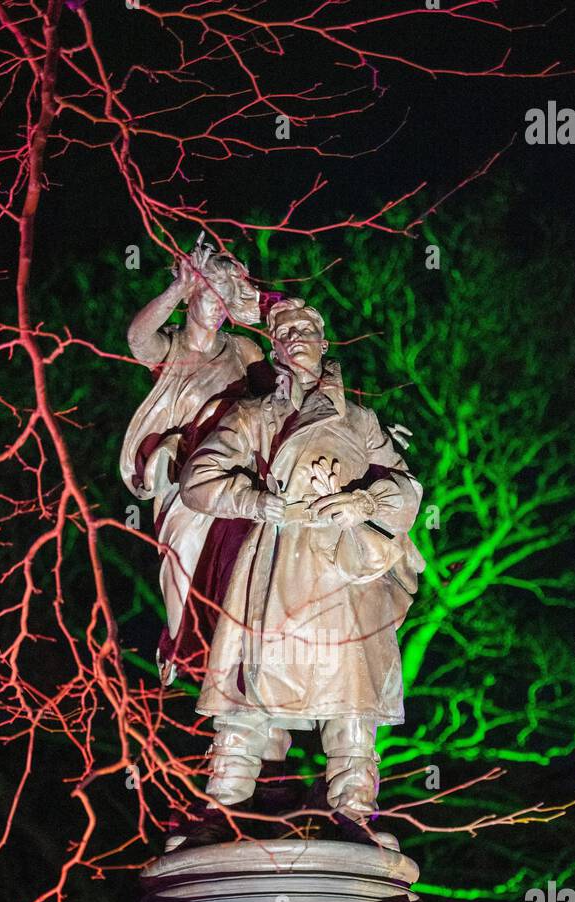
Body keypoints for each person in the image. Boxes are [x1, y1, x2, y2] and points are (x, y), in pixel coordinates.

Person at [178, 297, 424, 847]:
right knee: (247, 692)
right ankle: (221, 807)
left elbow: (408, 492)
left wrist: (363, 504)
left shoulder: (360, 421)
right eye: (281, 332)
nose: (292, 339)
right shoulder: (256, 414)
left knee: (352, 697)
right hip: (275, 568)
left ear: (323, 341)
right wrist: (255, 502)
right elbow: (199, 479)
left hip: (345, 573)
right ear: (273, 347)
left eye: (302, 329)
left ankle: (355, 810)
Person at [120, 238, 266, 683]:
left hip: (232, 475)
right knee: (183, 560)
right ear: (192, 296)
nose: (218, 307)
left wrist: (343, 422)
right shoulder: (172, 349)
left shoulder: (245, 352)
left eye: (226, 299)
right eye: (210, 295)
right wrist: (173, 291)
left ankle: (242, 649)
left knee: (241, 562)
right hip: (183, 478)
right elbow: (136, 339)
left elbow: (284, 399)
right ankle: (187, 647)